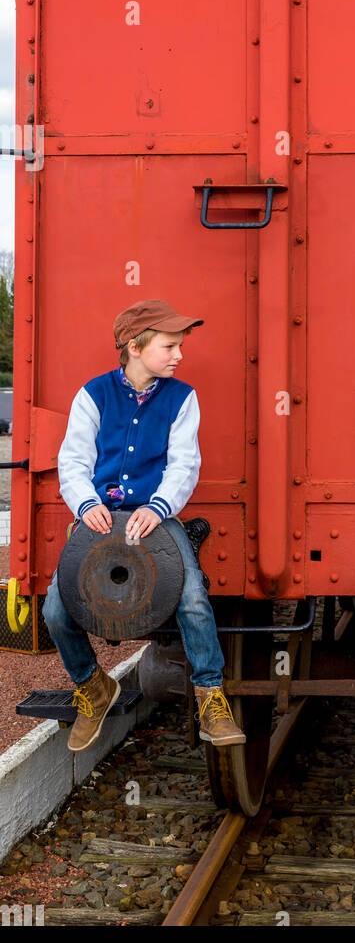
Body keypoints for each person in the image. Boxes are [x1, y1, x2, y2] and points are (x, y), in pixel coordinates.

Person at [44, 299, 246, 752]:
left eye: (179, 346)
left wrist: (158, 507)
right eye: (170, 346)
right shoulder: (92, 395)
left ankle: (211, 696)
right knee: (55, 609)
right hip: (99, 516)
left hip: (155, 516)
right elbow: (73, 461)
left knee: (193, 596)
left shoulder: (182, 398)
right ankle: (93, 687)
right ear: (135, 346)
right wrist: (84, 504)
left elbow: (184, 465)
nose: (179, 355)